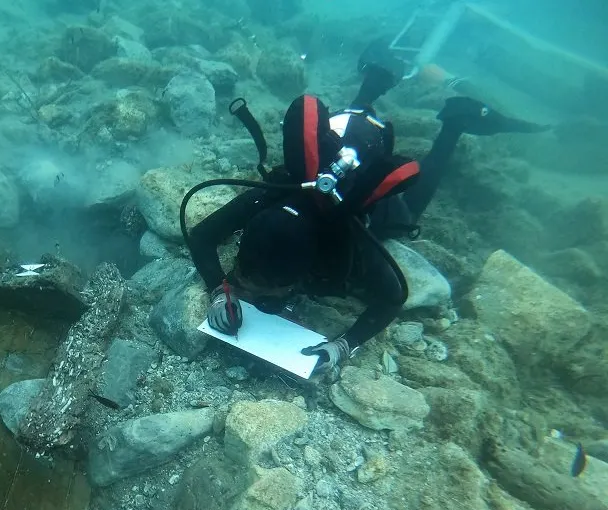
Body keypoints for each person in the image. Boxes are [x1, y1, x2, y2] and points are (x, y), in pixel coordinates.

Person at [184, 44, 549, 373]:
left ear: (300, 275)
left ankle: (453, 126)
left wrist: (345, 345)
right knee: (347, 130)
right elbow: (201, 236)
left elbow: (393, 298)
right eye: (244, 276)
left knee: (408, 212)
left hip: (363, 145)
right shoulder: (270, 196)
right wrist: (220, 288)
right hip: (341, 133)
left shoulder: (350, 240)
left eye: (261, 288)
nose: (249, 292)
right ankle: (376, 80)